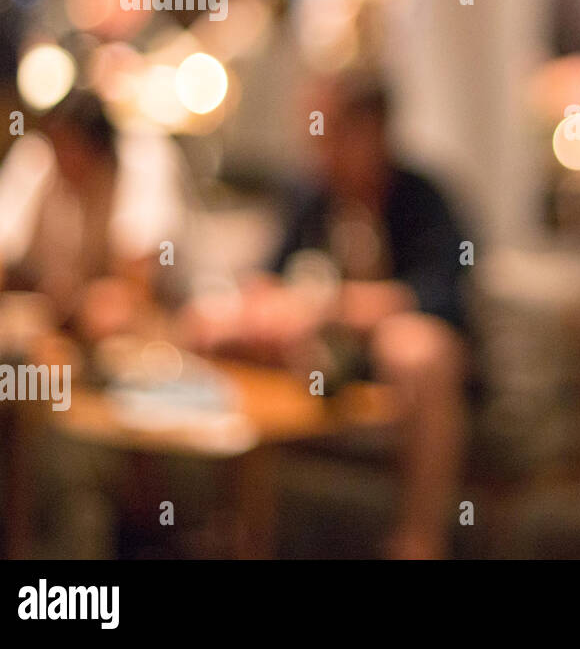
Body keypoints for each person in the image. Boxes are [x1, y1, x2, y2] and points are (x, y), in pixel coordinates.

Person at [189, 72, 473, 560]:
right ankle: (232, 531)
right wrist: (254, 311)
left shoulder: (424, 197)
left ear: (374, 131)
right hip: (317, 354)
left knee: (415, 349)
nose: (316, 146)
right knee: (209, 326)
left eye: (330, 131)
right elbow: (270, 277)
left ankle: (418, 541)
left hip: (390, 359)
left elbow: (441, 295)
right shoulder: (310, 195)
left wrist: (332, 306)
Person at [0, 89, 189, 339]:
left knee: (106, 314)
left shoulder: (144, 158)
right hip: (55, 312)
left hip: (163, 319)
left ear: (99, 148)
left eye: (72, 151)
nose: (61, 160)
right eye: (57, 147)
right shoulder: (40, 152)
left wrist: (92, 301)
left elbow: (137, 283)